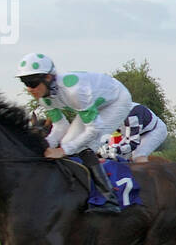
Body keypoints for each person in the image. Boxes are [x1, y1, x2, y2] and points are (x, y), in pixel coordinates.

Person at [16, 52, 133, 213]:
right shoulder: (45, 98)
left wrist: (63, 151)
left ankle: (109, 199)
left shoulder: (74, 91)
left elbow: (95, 128)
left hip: (117, 100)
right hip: (95, 104)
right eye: (25, 82)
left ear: (48, 78)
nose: (30, 89)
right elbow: (60, 127)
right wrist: (44, 147)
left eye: (33, 82)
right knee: (67, 142)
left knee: (84, 145)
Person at [100, 103, 168, 163]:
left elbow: (132, 144)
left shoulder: (132, 114)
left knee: (138, 155)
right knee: (114, 156)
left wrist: (114, 149)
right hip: (131, 132)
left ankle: (143, 177)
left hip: (154, 130)